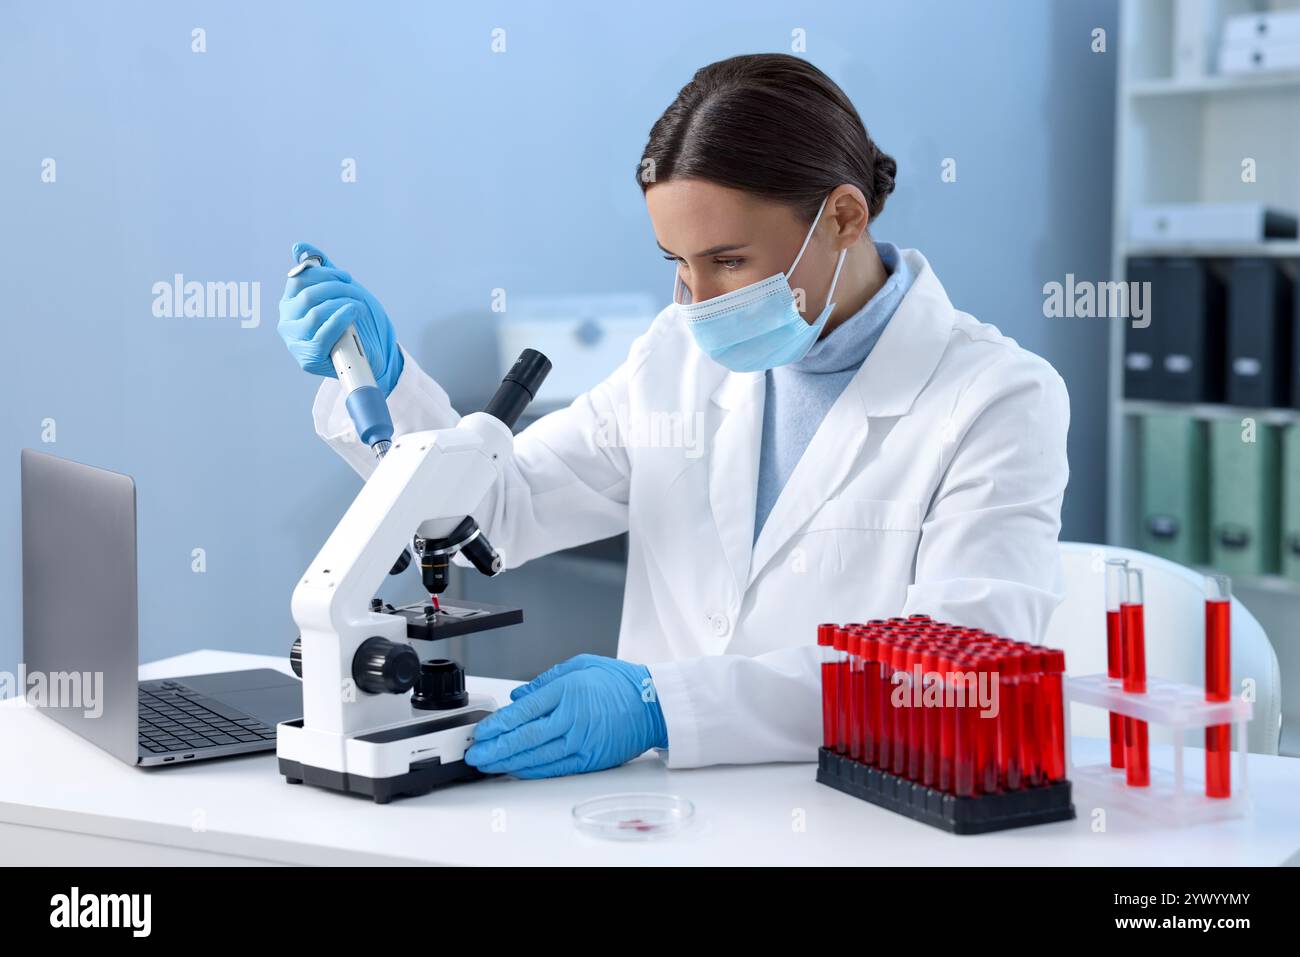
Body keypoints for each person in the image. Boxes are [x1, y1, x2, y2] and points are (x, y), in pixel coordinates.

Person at [277, 53, 1070, 780]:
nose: (700, 303)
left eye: (729, 260)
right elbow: (501, 508)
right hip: (659, 823)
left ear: (844, 217)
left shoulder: (995, 397)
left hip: (860, 822)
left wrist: (667, 702)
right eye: (678, 266)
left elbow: (966, 675)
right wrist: (388, 382)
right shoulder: (676, 356)